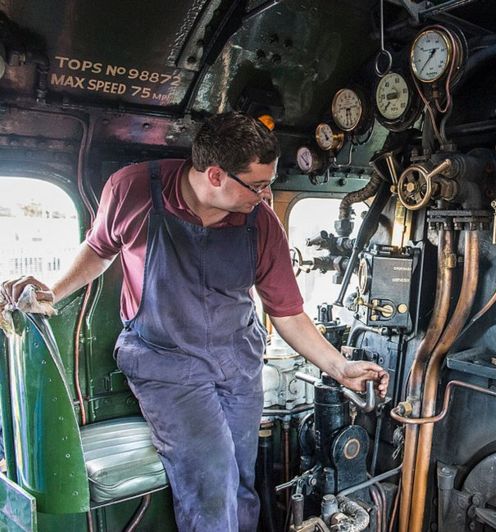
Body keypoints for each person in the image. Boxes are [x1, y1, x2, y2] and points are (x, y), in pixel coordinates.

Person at [1, 112, 388, 531]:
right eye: (258, 186)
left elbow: (288, 313)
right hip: (165, 362)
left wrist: (340, 367)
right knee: (211, 479)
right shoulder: (133, 189)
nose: (265, 195)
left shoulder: (262, 224)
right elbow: (99, 249)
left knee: (241, 480)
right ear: (217, 175)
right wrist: (51, 292)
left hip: (237, 363)